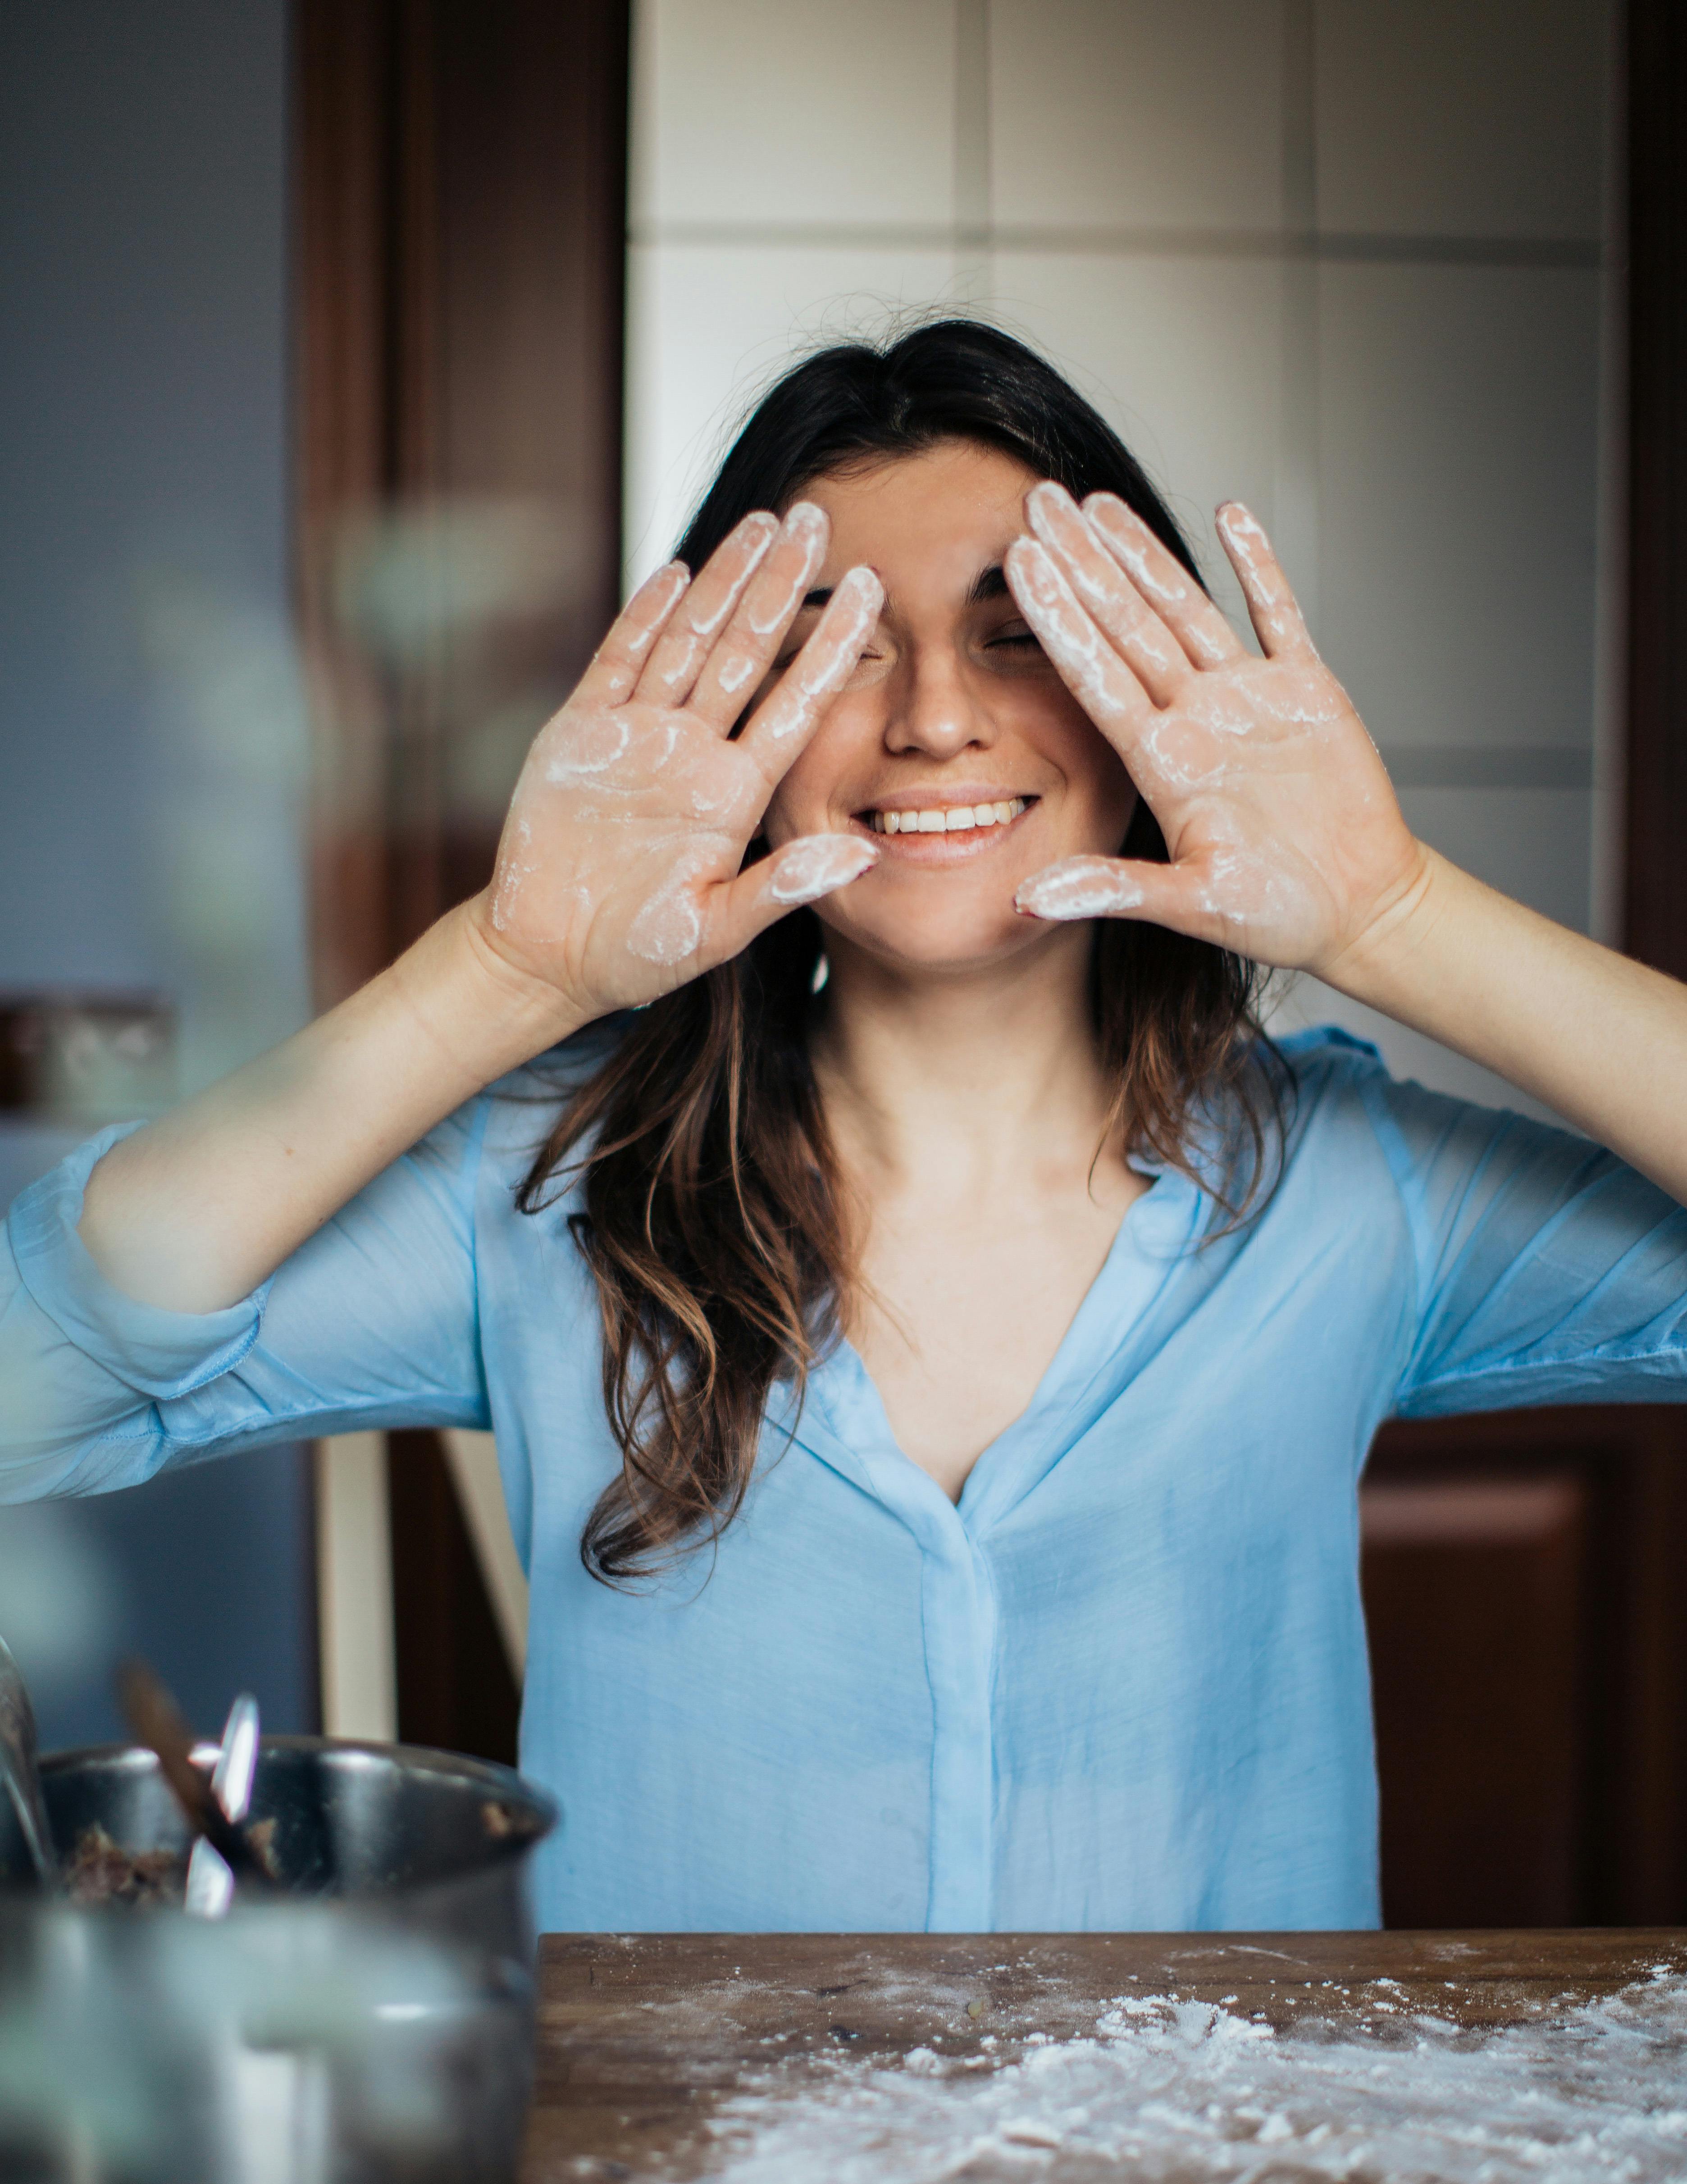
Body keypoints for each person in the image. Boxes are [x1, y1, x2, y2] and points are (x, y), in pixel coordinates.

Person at [6, 319, 1687, 1936]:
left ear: (1144, 702)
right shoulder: (549, 1201)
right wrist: (506, 966)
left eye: (1019, 630)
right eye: (840, 641)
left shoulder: (1347, 1194)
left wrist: (1391, 914)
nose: (933, 716)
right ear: (738, 720)